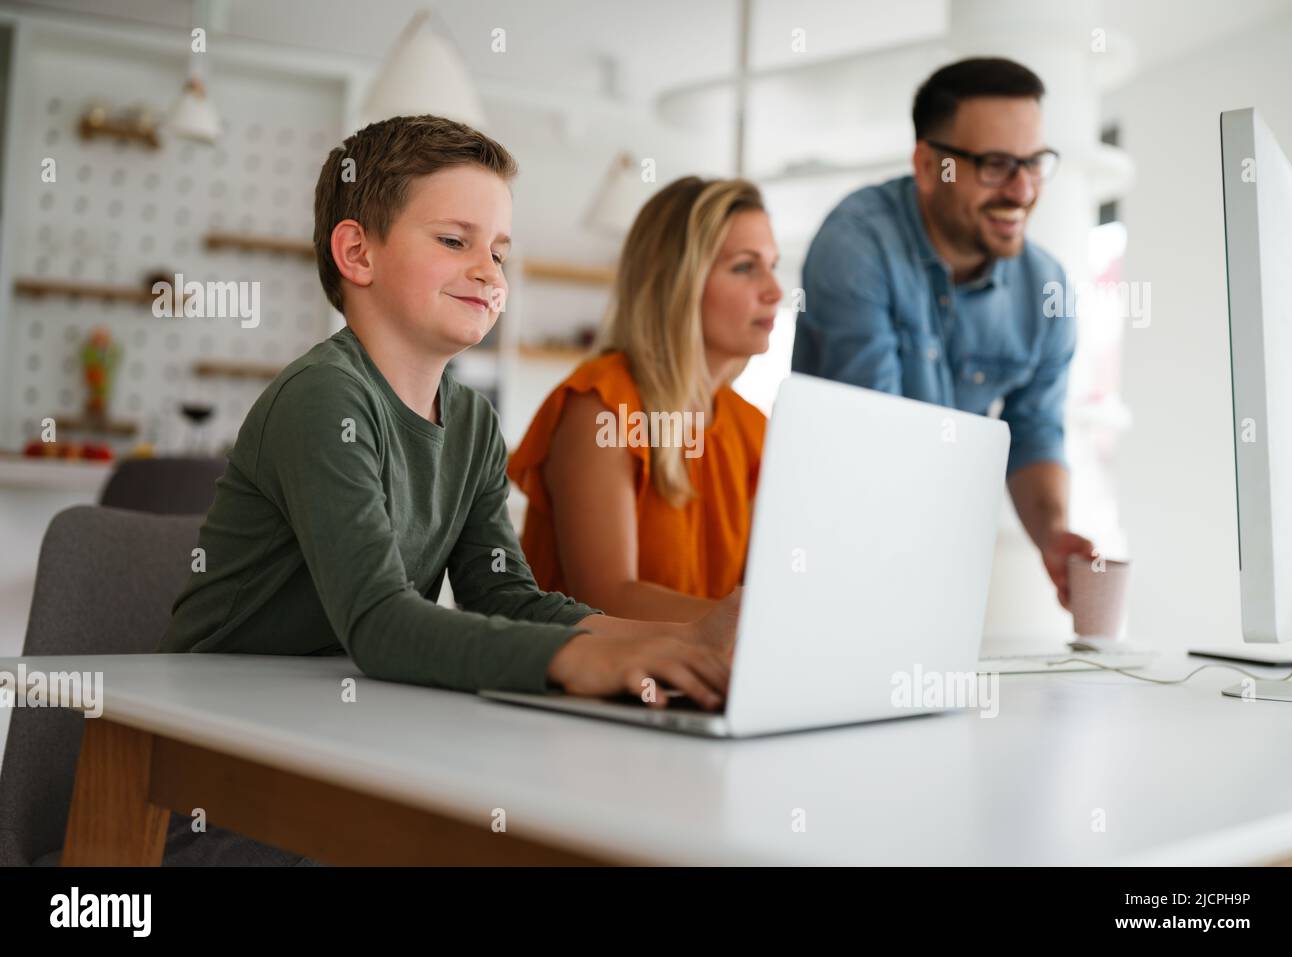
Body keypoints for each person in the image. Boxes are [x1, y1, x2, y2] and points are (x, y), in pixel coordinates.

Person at [161, 115, 732, 711]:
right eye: (455, 241)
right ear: (357, 253)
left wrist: (685, 636)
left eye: (499, 253)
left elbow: (505, 597)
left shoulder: (475, 425)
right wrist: (581, 660)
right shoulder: (323, 397)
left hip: (333, 708)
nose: (489, 272)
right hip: (206, 712)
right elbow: (379, 623)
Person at [793, 57, 1094, 608]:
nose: (1023, 190)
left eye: (1034, 162)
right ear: (931, 166)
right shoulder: (857, 246)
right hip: (829, 554)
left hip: (936, 568)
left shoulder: (1046, 290)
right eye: (997, 164)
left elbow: (1035, 432)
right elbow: (874, 441)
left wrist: (1052, 536)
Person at [508, 177, 780, 621]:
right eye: (745, 267)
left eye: (773, 265)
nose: (774, 290)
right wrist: (757, 624)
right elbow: (605, 601)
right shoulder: (602, 404)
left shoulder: (752, 428)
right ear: (677, 282)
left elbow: (755, 584)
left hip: (688, 683)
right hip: (572, 686)